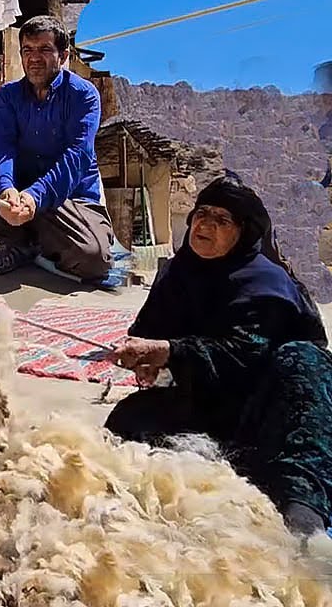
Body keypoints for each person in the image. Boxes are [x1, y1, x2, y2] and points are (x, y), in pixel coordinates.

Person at [104, 174, 332, 539]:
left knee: (301, 359)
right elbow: (153, 335)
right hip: (210, 402)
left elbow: (246, 354)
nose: (205, 225)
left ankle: (304, 512)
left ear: (241, 232)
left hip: (268, 407)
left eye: (221, 220)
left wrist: (170, 352)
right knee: (127, 419)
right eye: (202, 214)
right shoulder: (178, 273)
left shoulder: (266, 284)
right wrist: (151, 364)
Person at [0, 14, 115, 281]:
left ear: (63, 56)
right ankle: (15, 242)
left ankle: (37, 240)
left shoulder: (84, 95)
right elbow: (1, 145)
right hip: (21, 191)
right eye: (28, 50)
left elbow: (77, 157)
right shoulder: (8, 95)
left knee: (95, 260)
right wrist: (5, 189)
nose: (34, 58)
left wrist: (34, 198)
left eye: (44, 50)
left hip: (68, 198)